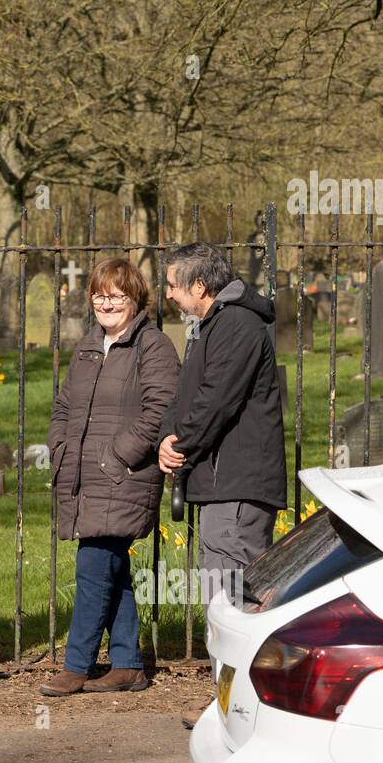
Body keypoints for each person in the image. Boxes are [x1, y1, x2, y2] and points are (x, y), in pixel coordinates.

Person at [156, 242, 285, 728]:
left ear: (199, 287)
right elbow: (187, 393)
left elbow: (216, 401)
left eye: (173, 284)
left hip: (237, 483)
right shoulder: (212, 325)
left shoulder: (237, 325)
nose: (167, 294)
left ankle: (244, 707)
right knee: (223, 594)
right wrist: (168, 438)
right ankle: (232, 702)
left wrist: (181, 441)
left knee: (235, 596)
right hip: (217, 482)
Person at [40, 259, 179, 698]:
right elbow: (64, 406)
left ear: (135, 299)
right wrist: (61, 446)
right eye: (100, 295)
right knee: (110, 567)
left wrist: (115, 455)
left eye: (117, 295)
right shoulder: (87, 347)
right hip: (83, 474)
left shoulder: (153, 347)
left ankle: (76, 664)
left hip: (123, 475)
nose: (107, 303)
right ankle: (127, 664)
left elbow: (160, 410)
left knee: (93, 566)